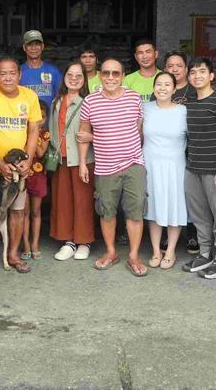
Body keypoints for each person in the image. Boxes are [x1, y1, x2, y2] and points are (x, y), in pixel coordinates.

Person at [77, 58, 148, 276]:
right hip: (105, 167)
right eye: (106, 73)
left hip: (134, 164)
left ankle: (134, 256)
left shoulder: (134, 98)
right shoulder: (90, 101)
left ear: (123, 76)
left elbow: (138, 130)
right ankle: (111, 252)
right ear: (99, 75)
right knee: (107, 212)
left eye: (115, 73)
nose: (110, 77)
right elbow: (83, 135)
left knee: (135, 212)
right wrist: (82, 163)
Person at [0, 54, 42, 277]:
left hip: (19, 167)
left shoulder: (30, 96)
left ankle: (13, 255)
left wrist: (28, 160)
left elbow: (33, 130)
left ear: (19, 74)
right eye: (3, 73)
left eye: (13, 73)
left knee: (18, 210)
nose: (8, 78)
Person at [180, 57, 216, 279]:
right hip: (192, 167)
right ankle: (204, 253)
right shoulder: (188, 104)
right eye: (192, 72)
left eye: (202, 71)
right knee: (199, 215)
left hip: (215, 170)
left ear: (212, 76)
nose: (197, 76)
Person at [49, 62, 96, 261]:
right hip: (61, 159)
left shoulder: (89, 102)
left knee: (83, 201)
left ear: (84, 80)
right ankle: (68, 241)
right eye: (70, 74)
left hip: (82, 159)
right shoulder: (56, 101)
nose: (74, 78)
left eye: (79, 75)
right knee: (63, 201)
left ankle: (84, 241)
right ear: (64, 76)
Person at [142, 72, 188, 270]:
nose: (162, 88)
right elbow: (136, 136)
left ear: (174, 89)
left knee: (174, 205)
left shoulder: (183, 111)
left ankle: (170, 251)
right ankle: (155, 250)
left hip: (175, 165)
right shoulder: (145, 109)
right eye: (158, 84)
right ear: (153, 88)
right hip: (150, 163)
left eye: (167, 84)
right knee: (153, 205)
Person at [164, 51, 200, 254]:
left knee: (190, 193)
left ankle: (192, 233)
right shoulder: (162, 89)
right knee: (169, 192)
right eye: (170, 66)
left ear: (186, 69)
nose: (175, 69)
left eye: (179, 65)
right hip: (169, 151)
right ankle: (165, 233)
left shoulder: (195, 90)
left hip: (192, 150)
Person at [20, 100, 50, 261]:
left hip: (38, 177)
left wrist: (34, 133)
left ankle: (35, 244)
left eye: (42, 117)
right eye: (36, 117)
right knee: (24, 212)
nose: (39, 120)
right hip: (24, 175)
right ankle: (25, 244)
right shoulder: (22, 131)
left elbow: (40, 152)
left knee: (36, 212)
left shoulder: (44, 134)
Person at [19, 30, 62, 108]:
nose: (34, 48)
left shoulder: (53, 71)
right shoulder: (18, 72)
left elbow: (60, 98)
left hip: (49, 119)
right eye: (30, 45)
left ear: (42, 46)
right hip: (26, 118)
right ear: (24, 48)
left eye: (37, 44)